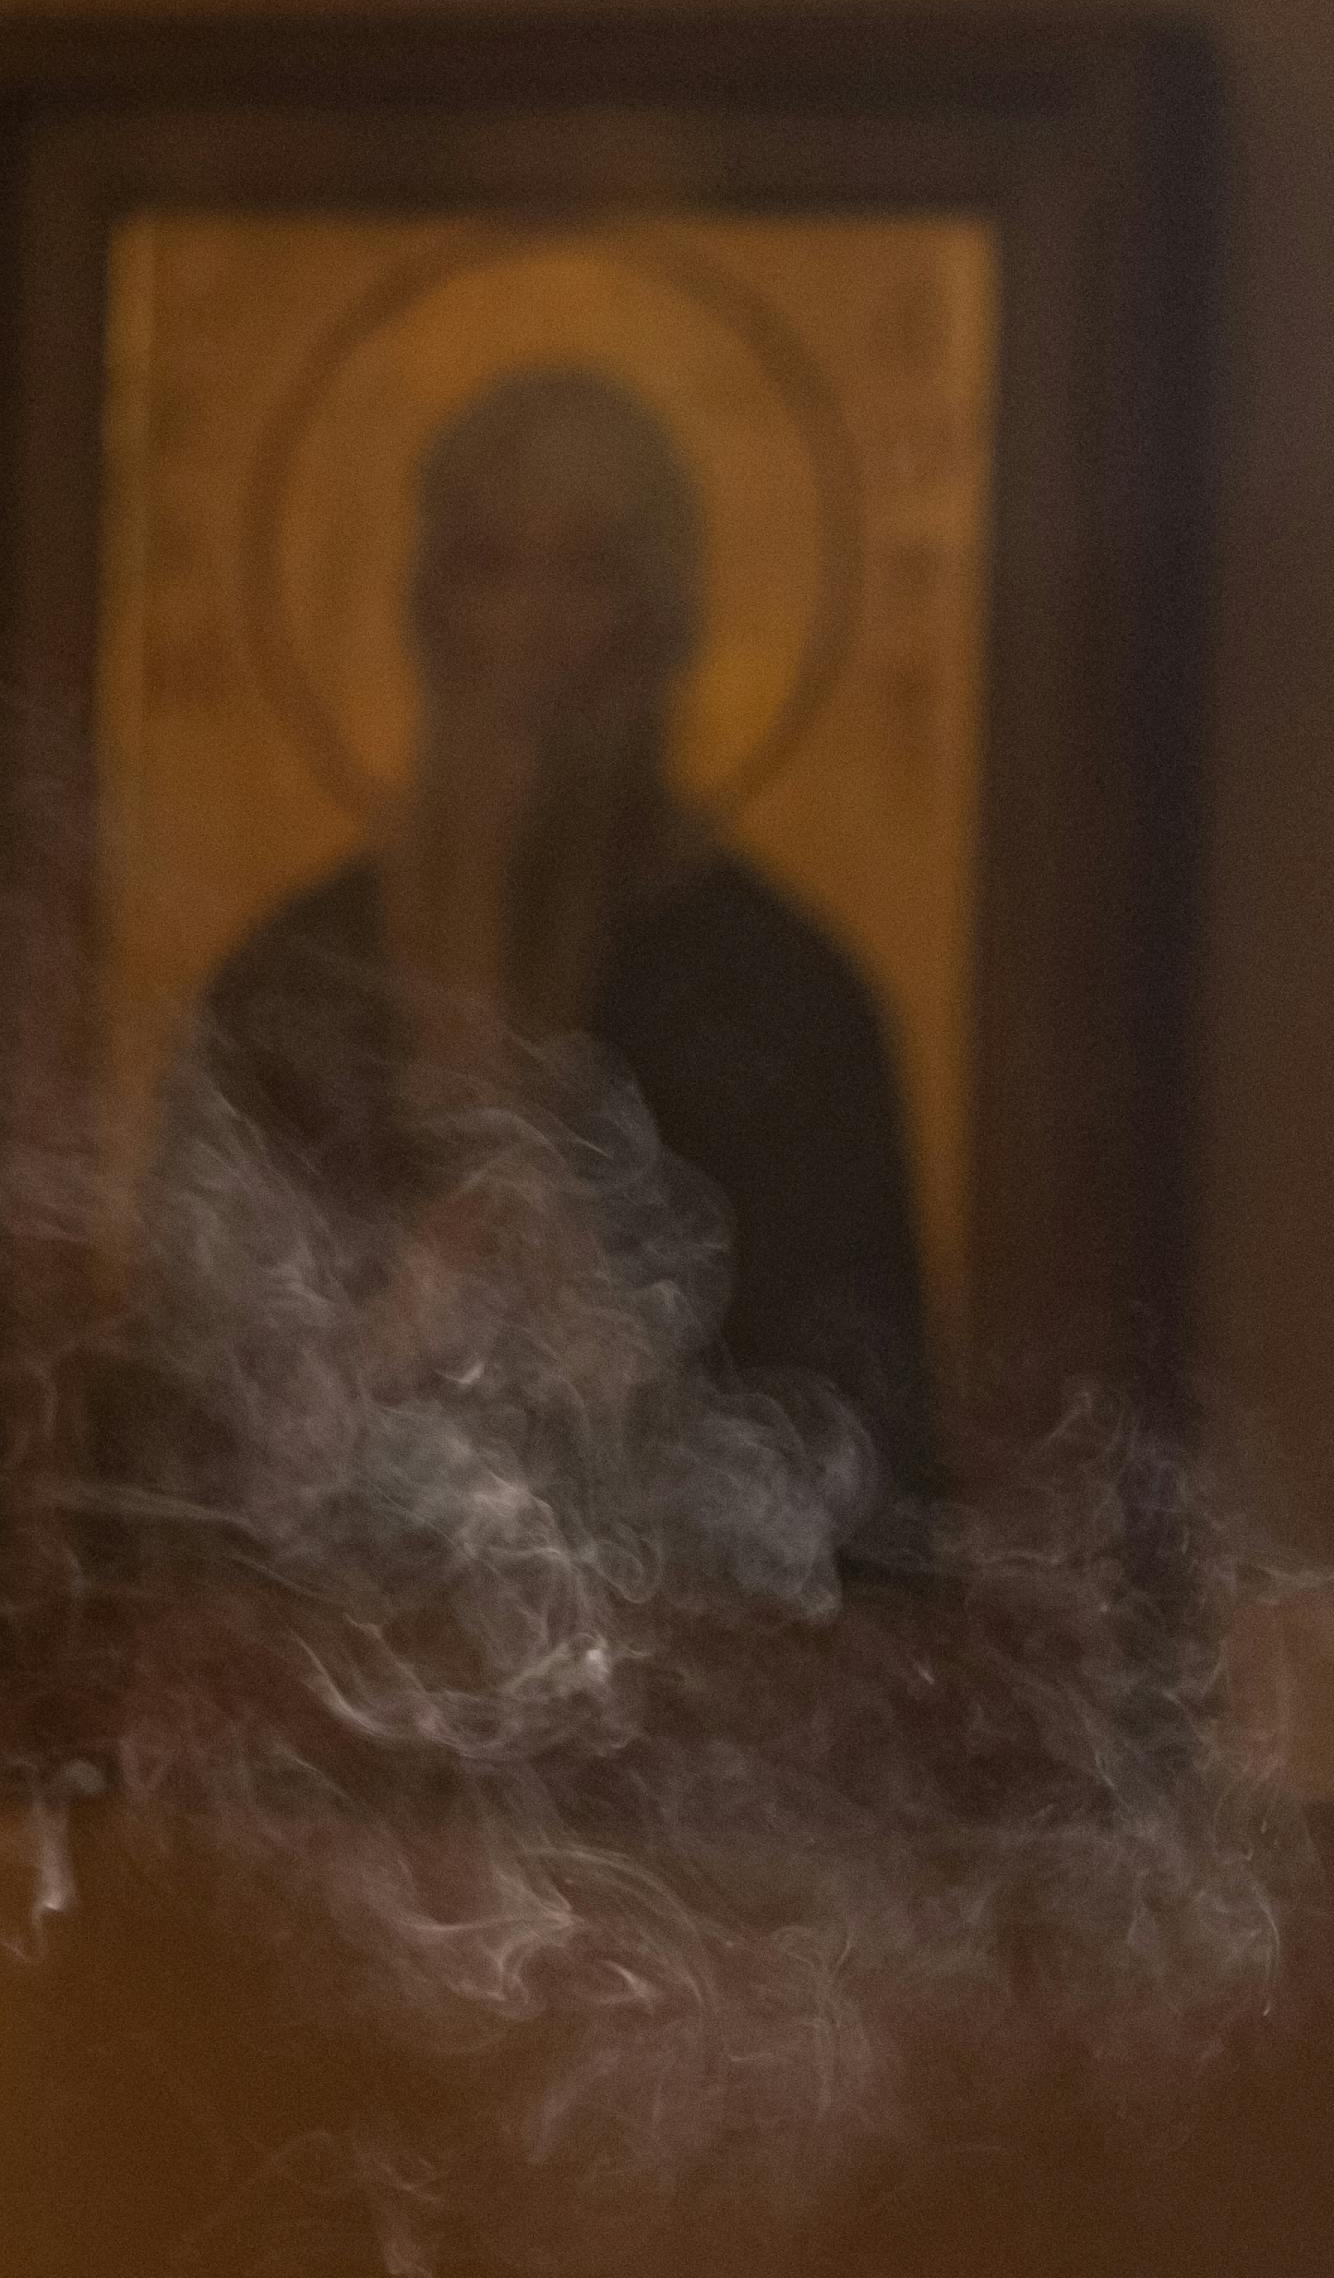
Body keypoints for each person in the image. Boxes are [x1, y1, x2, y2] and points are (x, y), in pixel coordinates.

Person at [138, 358, 941, 1558]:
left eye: (589, 569)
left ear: (664, 616)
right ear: (428, 605)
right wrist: (385, 1340)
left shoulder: (784, 1001)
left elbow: (867, 1462)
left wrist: (620, 1346)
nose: (530, 627)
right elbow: (179, 1436)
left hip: (702, 1690)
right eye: (489, 562)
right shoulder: (292, 986)